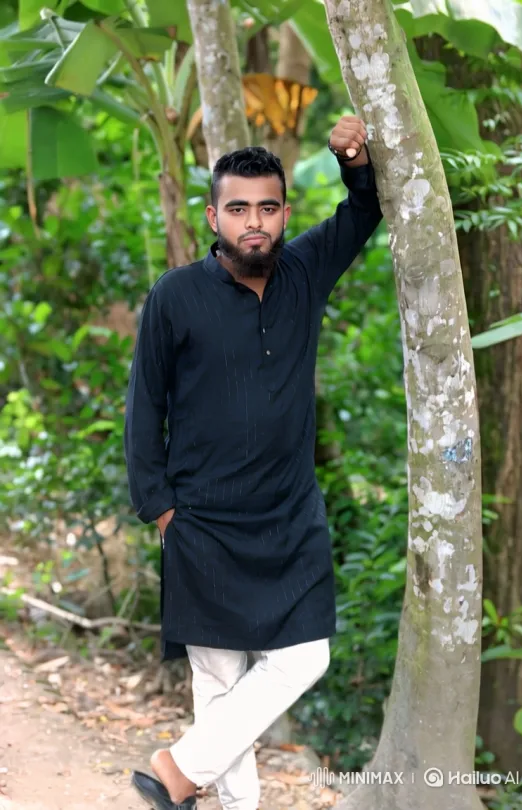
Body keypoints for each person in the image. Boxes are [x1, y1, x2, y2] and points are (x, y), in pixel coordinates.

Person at [124, 115, 382, 810]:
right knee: (218, 683)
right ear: (214, 216)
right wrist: (161, 508)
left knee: (307, 656)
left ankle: (176, 768)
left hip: (291, 517)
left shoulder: (304, 272)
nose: (254, 222)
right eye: (238, 209)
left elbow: (366, 209)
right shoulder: (174, 296)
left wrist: (352, 156)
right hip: (202, 519)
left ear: (284, 212)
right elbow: (144, 408)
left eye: (267, 207)